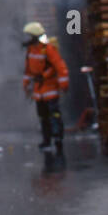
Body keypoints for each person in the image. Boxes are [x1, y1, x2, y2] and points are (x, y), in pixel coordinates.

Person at [22, 21, 68, 156]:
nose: (28, 39)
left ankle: (58, 139)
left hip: (50, 89)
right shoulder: (31, 50)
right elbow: (28, 70)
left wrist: (63, 85)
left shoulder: (47, 49)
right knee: (43, 117)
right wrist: (25, 85)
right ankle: (46, 141)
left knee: (54, 115)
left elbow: (60, 67)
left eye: (30, 36)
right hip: (38, 91)